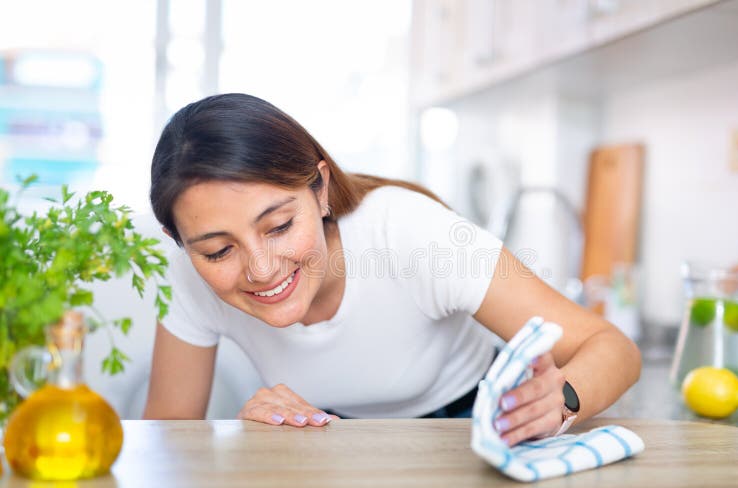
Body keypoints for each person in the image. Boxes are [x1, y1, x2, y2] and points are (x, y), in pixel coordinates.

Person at [143, 93, 641, 447]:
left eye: (277, 226)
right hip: (328, 437)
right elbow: (166, 440)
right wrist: (243, 434)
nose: (261, 268)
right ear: (180, 242)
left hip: (473, 423)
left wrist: (562, 398)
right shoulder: (185, 276)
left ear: (318, 189)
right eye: (216, 252)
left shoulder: (407, 231)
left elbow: (611, 347)